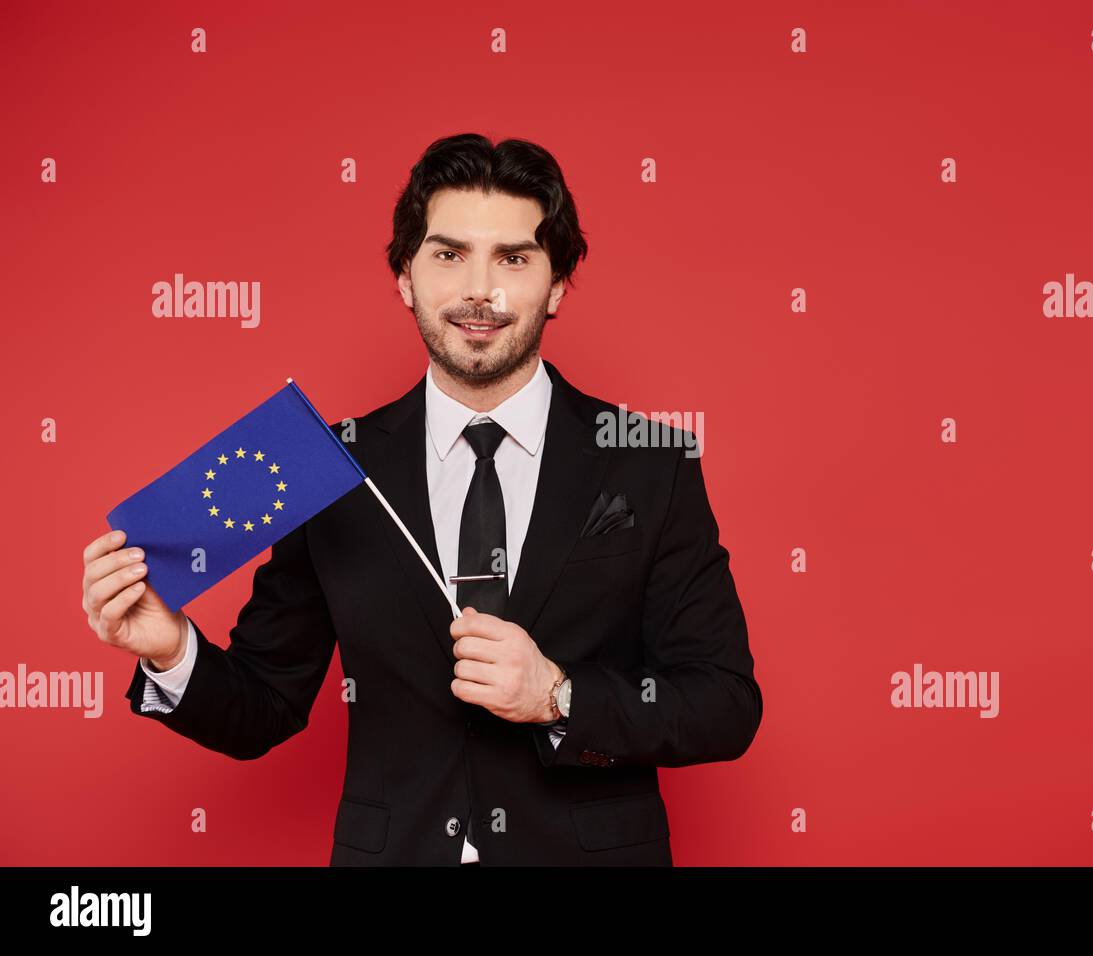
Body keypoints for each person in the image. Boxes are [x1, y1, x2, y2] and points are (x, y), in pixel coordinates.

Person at [80, 133, 762, 866]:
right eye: (448, 254)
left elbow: (723, 705)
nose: (480, 290)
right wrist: (170, 651)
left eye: (514, 257)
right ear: (405, 276)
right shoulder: (331, 466)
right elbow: (263, 710)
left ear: (558, 284)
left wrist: (559, 696)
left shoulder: (648, 463)